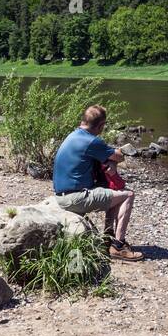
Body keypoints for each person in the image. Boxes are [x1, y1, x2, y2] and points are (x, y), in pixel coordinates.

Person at [52, 105, 142, 262]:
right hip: (75, 198)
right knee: (128, 195)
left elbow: (104, 159)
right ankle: (119, 246)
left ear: (84, 120)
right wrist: (113, 161)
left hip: (63, 194)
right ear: (101, 126)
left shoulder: (74, 135)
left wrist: (109, 162)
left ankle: (108, 238)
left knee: (112, 192)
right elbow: (118, 157)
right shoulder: (91, 141)